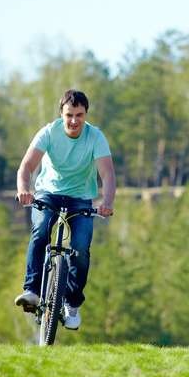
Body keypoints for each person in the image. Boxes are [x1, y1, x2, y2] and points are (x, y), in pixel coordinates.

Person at [14, 89, 115, 332]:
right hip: (48, 192)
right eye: (69, 114)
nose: (73, 121)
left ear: (85, 114)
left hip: (81, 197)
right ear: (61, 113)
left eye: (79, 115)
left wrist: (107, 202)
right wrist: (24, 189)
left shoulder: (95, 137)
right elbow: (26, 167)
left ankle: (72, 302)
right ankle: (32, 290)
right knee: (40, 232)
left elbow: (107, 174)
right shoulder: (49, 132)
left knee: (80, 247)